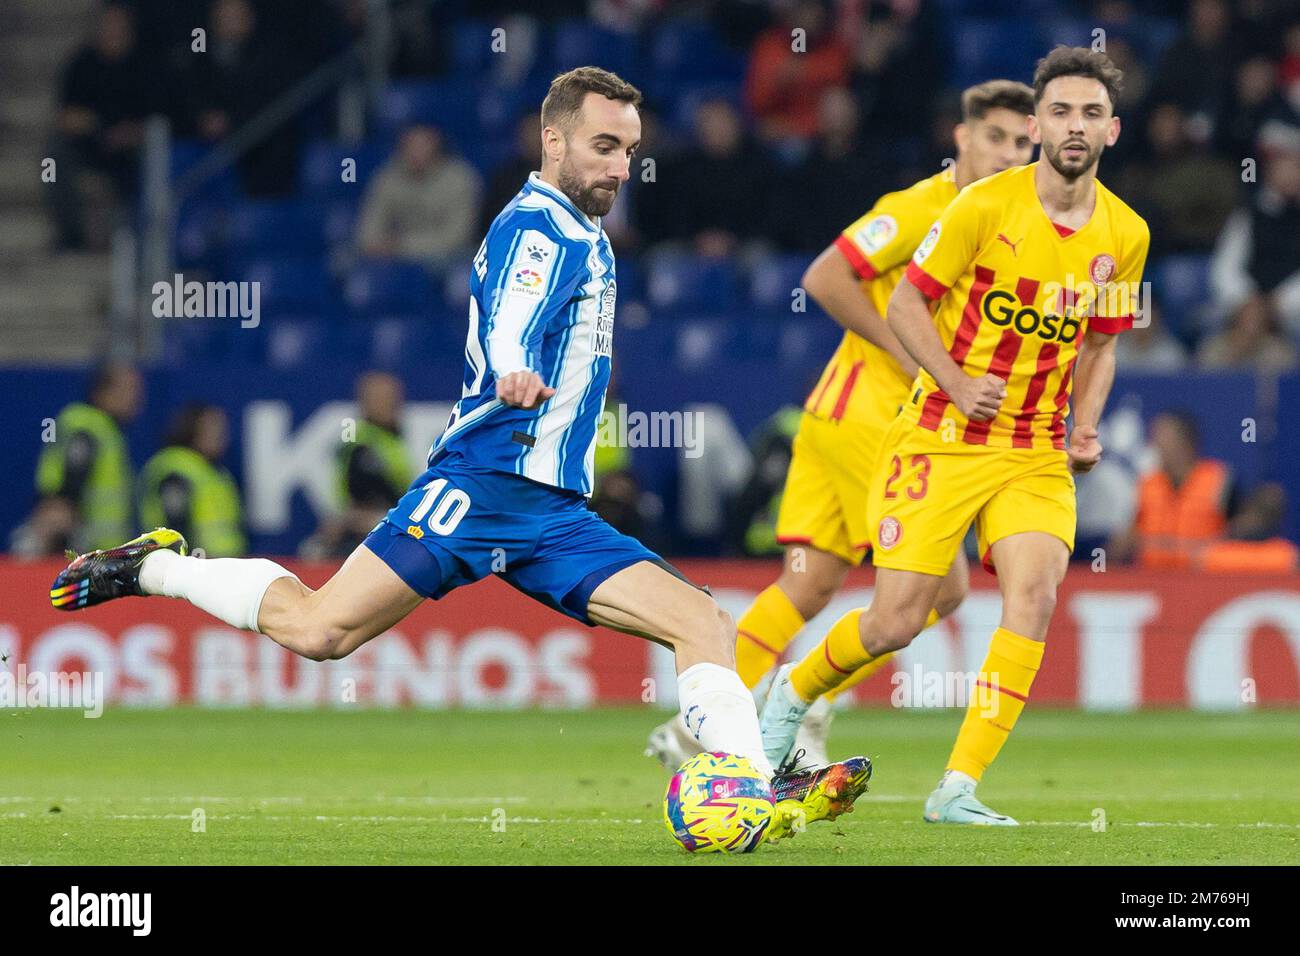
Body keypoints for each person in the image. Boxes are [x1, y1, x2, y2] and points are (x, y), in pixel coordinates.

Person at [49, 67, 868, 841]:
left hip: (549, 513)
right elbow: (514, 305)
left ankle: (750, 784)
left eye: (630, 151)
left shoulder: (585, 232)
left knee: (703, 623)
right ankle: (156, 567)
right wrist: (512, 364)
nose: (621, 167)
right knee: (321, 630)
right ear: (553, 143)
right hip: (479, 490)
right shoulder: (538, 225)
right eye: (603, 147)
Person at [757, 47, 1150, 826]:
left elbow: (1103, 345)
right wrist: (954, 381)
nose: (1076, 126)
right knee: (898, 619)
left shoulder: (1126, 234)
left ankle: (957, 788)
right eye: (1061, 112)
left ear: (1113, 128)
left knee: (1032, 597)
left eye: (1091, 113)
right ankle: (793, 691)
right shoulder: (979, 208)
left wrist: (1086, 425)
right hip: (941, 434)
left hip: (1034, 450)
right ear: (1037, 124)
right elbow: (906, 303)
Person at [646, 79, 1036, 772]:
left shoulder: (996, 218)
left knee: (808, 582)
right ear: (963, 138)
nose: (1008, 153)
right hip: (874, 421)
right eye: (995, 137)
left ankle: (694, 724)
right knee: (942, 591)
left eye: (1019, 142)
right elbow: (827, 277)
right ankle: (808, 708)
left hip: (833, 416)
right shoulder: (924, 208)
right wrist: (912, 355)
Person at [28, 362, 142, 555]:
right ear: (102, 391)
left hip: (101, 554)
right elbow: (72, 476)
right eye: (129, 389)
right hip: (83, 553)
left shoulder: (107, 430)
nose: (136, 398)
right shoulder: (88, 425)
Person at [357, 124, 483, 272]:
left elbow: (457, 237)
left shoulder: (461, 179)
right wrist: (377, 244)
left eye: (422, 145)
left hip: (445, 255)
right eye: (411, 145)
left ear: (437, 147)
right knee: (342, 260)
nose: (416, 151)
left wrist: (402, 246)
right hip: (392, 254)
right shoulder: (387, 178)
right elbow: (368, 230)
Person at [138, 404, 246, 558]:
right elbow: (175, 525)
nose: (220, 436)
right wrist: (187, 565)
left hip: (219, 568)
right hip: (194, 568)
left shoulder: (215, 470)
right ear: (192, 429)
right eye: (213, 429)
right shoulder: (176, 468)